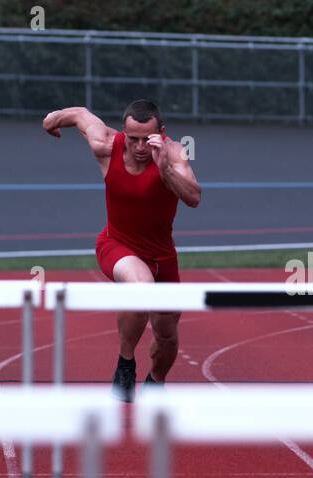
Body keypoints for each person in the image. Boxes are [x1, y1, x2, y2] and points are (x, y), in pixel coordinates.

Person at [42, 100, 201, 401]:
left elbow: (194, 197)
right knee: (142, 287)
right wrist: (52, 120)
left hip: (163, 257)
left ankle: (155, 382)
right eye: (133, 139)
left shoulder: (174, 153)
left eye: (147, 139)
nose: (140, 147)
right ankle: (125, 364)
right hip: (117, 245)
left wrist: (164, 167)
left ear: (161, 134)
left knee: (167, 337)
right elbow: (80, 115)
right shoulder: (106, 146)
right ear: (124, 133)